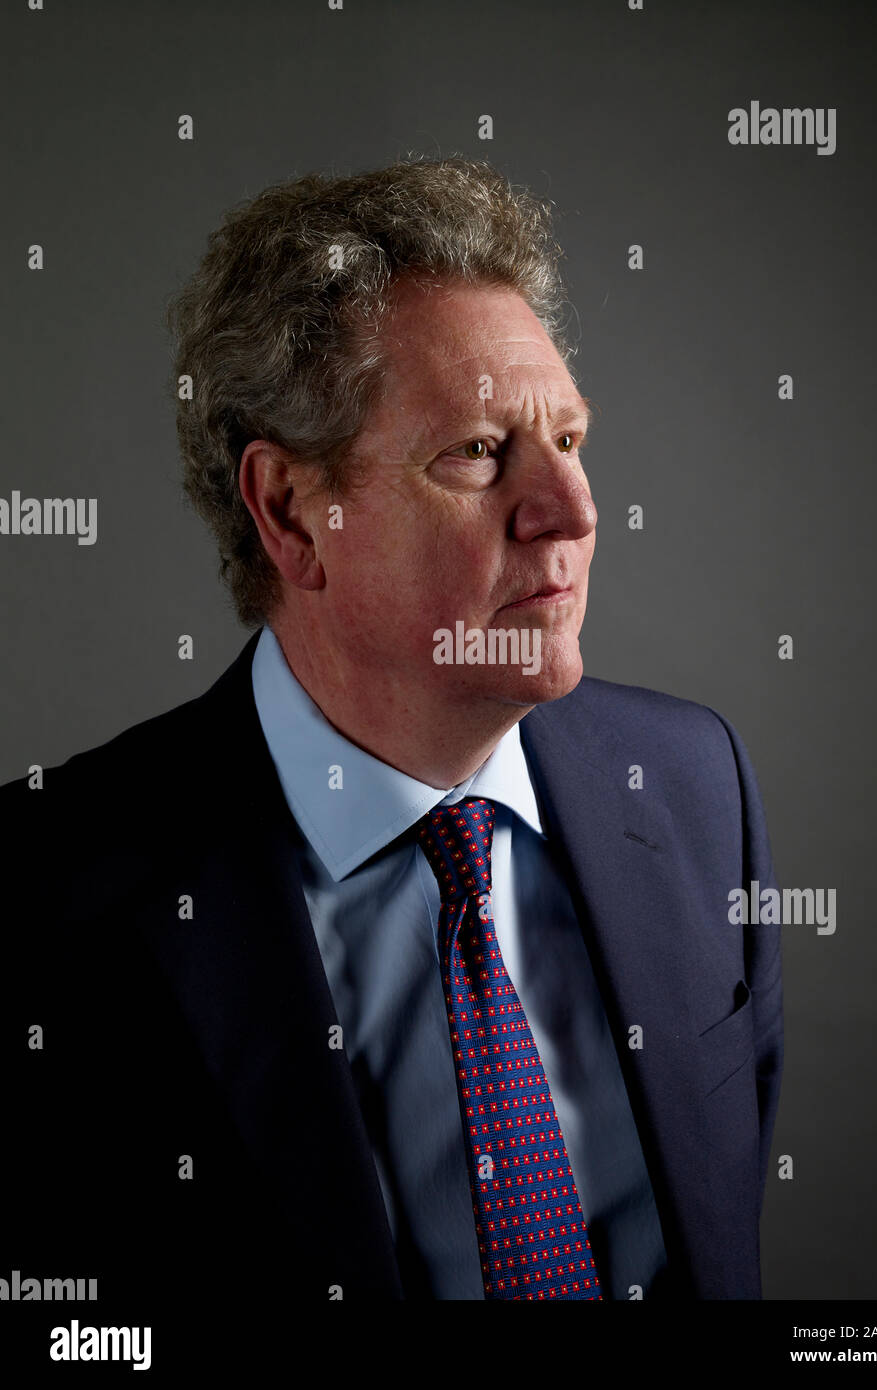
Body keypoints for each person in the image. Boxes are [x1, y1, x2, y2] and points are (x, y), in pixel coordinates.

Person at [0, 158, 783, 1319]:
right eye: (475, 452)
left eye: (569, 439)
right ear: (291, 513)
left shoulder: (693, 783)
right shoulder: (49, 889)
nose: (571, 511)